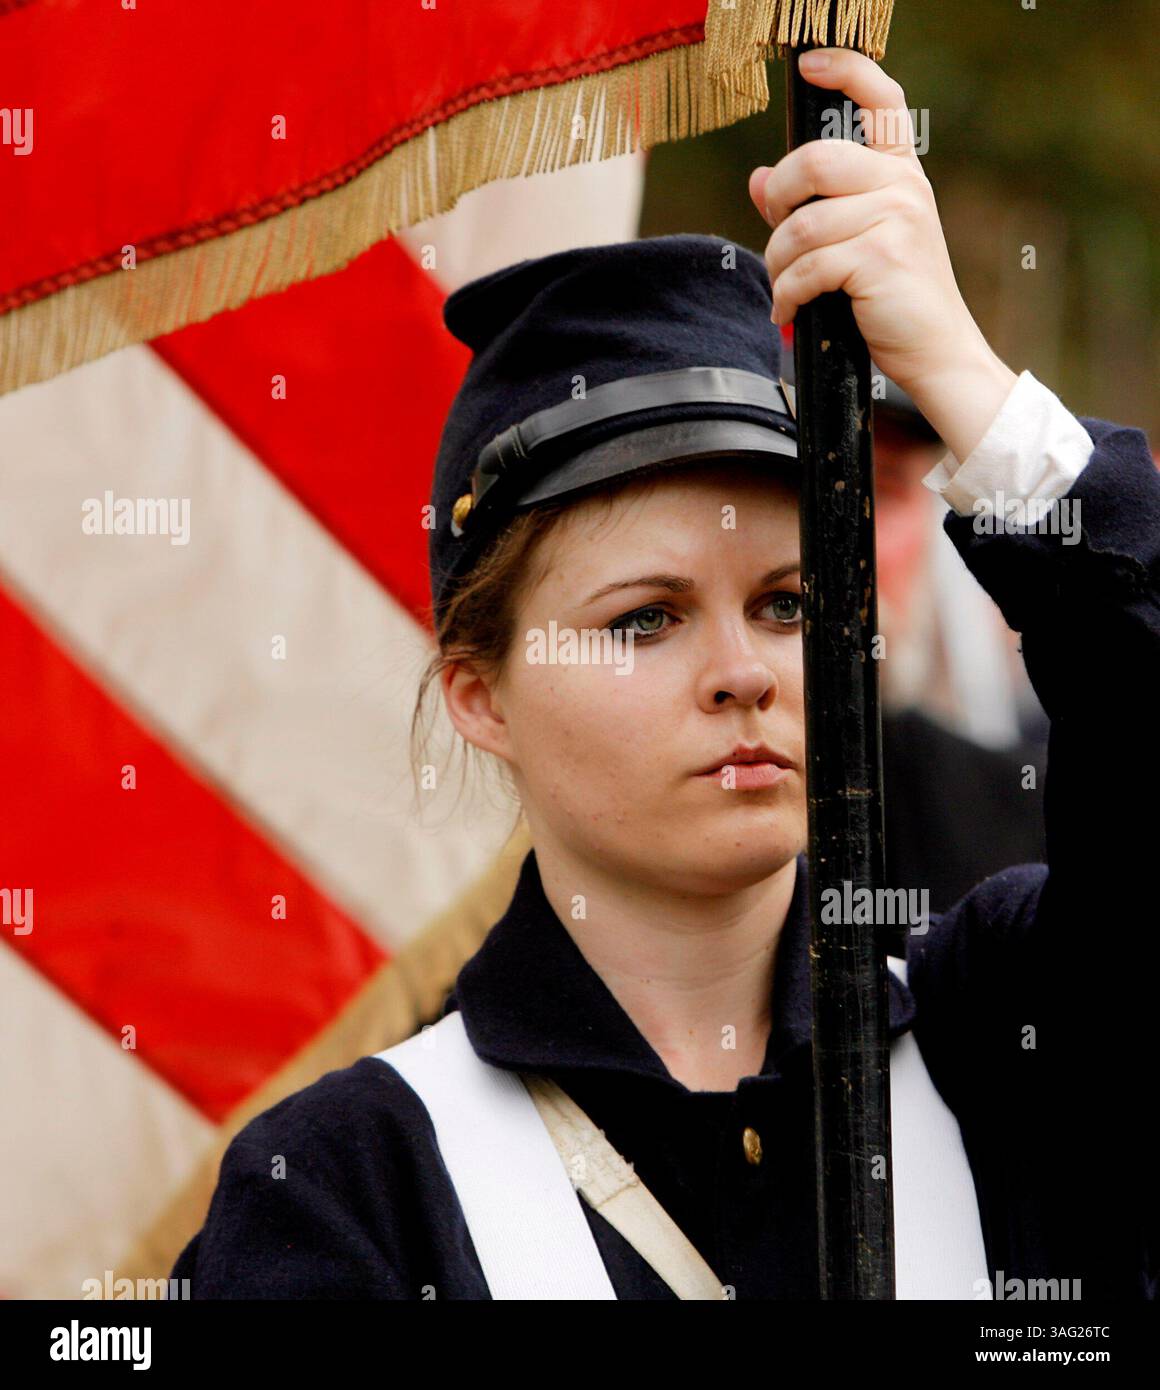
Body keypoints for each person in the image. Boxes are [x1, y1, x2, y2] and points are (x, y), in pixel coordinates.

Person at [171, 49, 1158, 1300]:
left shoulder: (1009, 1026)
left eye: (788, 603)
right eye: (644, 621)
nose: (742, 672)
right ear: (478, 693)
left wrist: (964, 378)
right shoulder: (347, 1187)